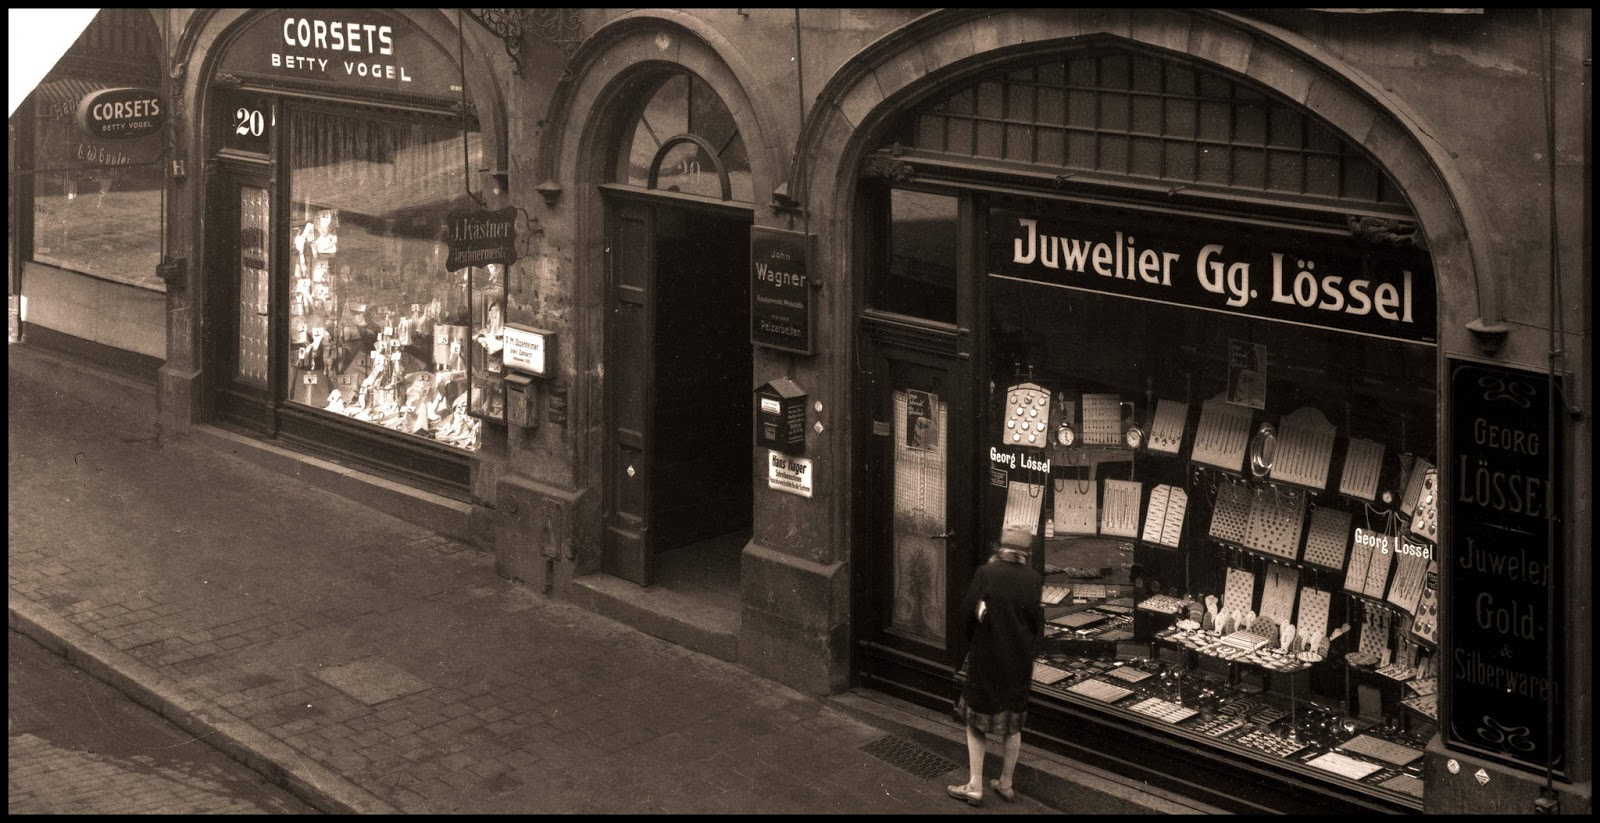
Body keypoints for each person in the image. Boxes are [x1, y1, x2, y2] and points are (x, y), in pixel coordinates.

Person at [947, 546, 1044, 806]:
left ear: (1001, 549)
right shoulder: (1034, 578)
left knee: (975, 720)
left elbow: (966, 614)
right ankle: (1006, 783)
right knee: (1013, 723)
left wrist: (975, 637)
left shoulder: (986, 573)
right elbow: (1037, 623)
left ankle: (975, 785)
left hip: (988, 658)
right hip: (1019, 661)